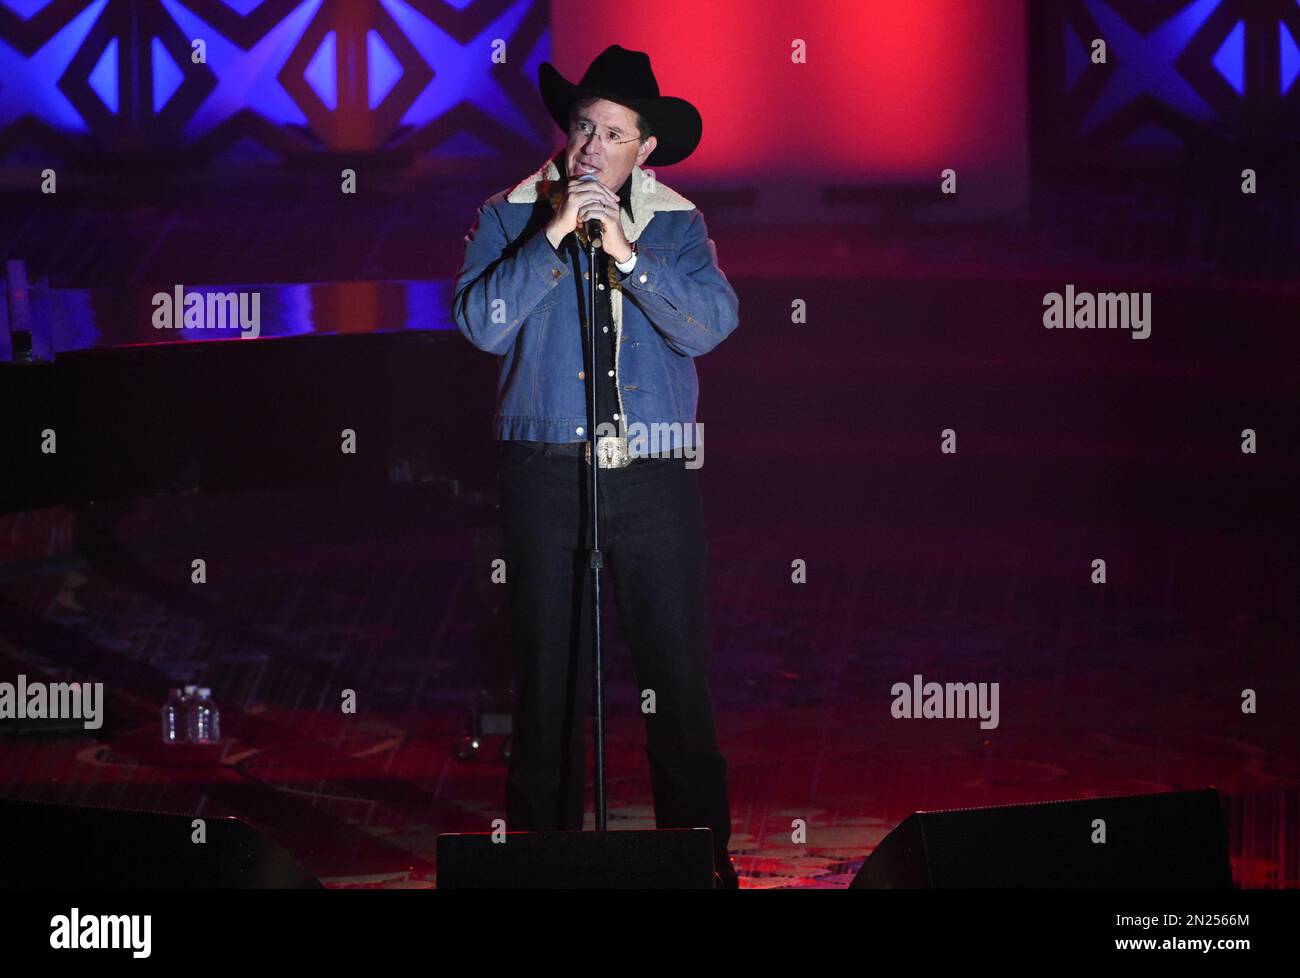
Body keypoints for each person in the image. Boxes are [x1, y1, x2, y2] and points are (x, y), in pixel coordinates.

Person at [451, 44, 741, 888]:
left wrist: (628, 256)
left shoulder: (678, 225)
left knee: (675, 678)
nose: (589, 150)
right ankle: (545, 862)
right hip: (546, 469)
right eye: (583, 128)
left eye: (612, 135)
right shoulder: (509, 214)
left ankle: (701, 862)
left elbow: (711, 325)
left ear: (644, 150)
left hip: (652, 472)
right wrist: (549, 237)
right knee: (548, 681)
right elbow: (481, 324)